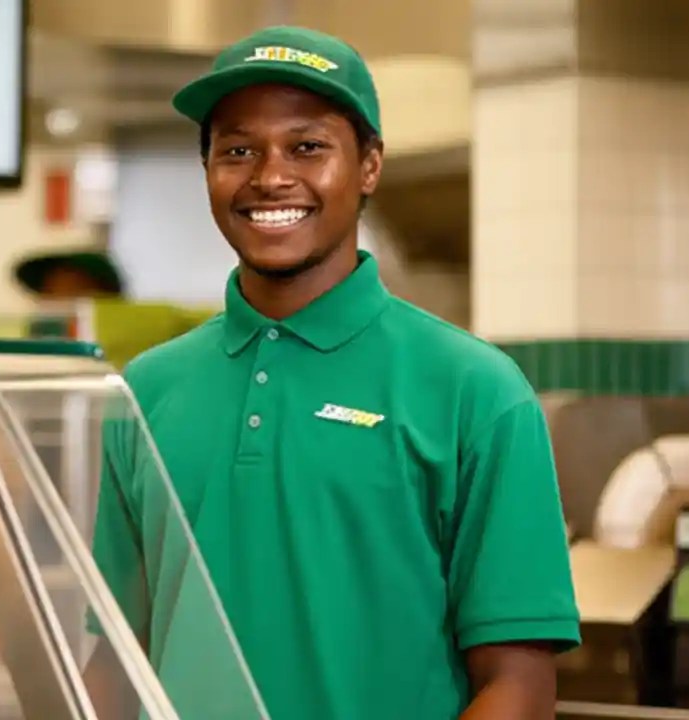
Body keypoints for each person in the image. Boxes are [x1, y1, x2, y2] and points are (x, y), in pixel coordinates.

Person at [84, 25, 580, 720]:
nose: (270, 176)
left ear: (369, 165)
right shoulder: (144, 392)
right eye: (237, 150)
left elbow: (517, 688)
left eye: (307, 146)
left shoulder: (478, 393)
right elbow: (111, 655)